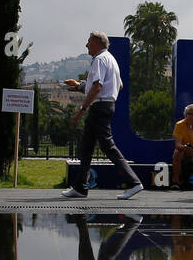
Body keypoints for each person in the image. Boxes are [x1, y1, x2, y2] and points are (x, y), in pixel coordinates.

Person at [61, 31, 145, 200]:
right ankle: (80, 187)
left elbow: (97, 87)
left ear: (97, 43)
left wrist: (82, 110)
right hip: (106, 104)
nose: (86, 46)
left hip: (99, 107)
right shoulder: (111, 59)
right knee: (86, 147)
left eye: (88, 42)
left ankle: (134, 182)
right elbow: (117, 86)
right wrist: (80, 86)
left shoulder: (99, 60)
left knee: (108, 147)